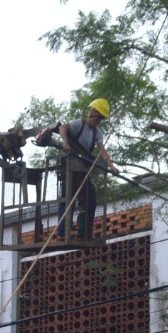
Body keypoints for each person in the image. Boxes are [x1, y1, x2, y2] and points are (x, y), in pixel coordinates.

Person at [50, 97, 115, 241]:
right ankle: (62, 233)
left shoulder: (97, 132)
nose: (98, 122)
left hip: (84, 170)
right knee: (68, 200)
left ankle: (84, 234)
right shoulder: (78, 124)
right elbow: (62, 128)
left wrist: (111, 166)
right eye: (98, 118)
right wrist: (66, 142)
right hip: (70, 169)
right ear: (92, 113)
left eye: (101, 120)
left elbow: (102, 151)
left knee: (90, 201)